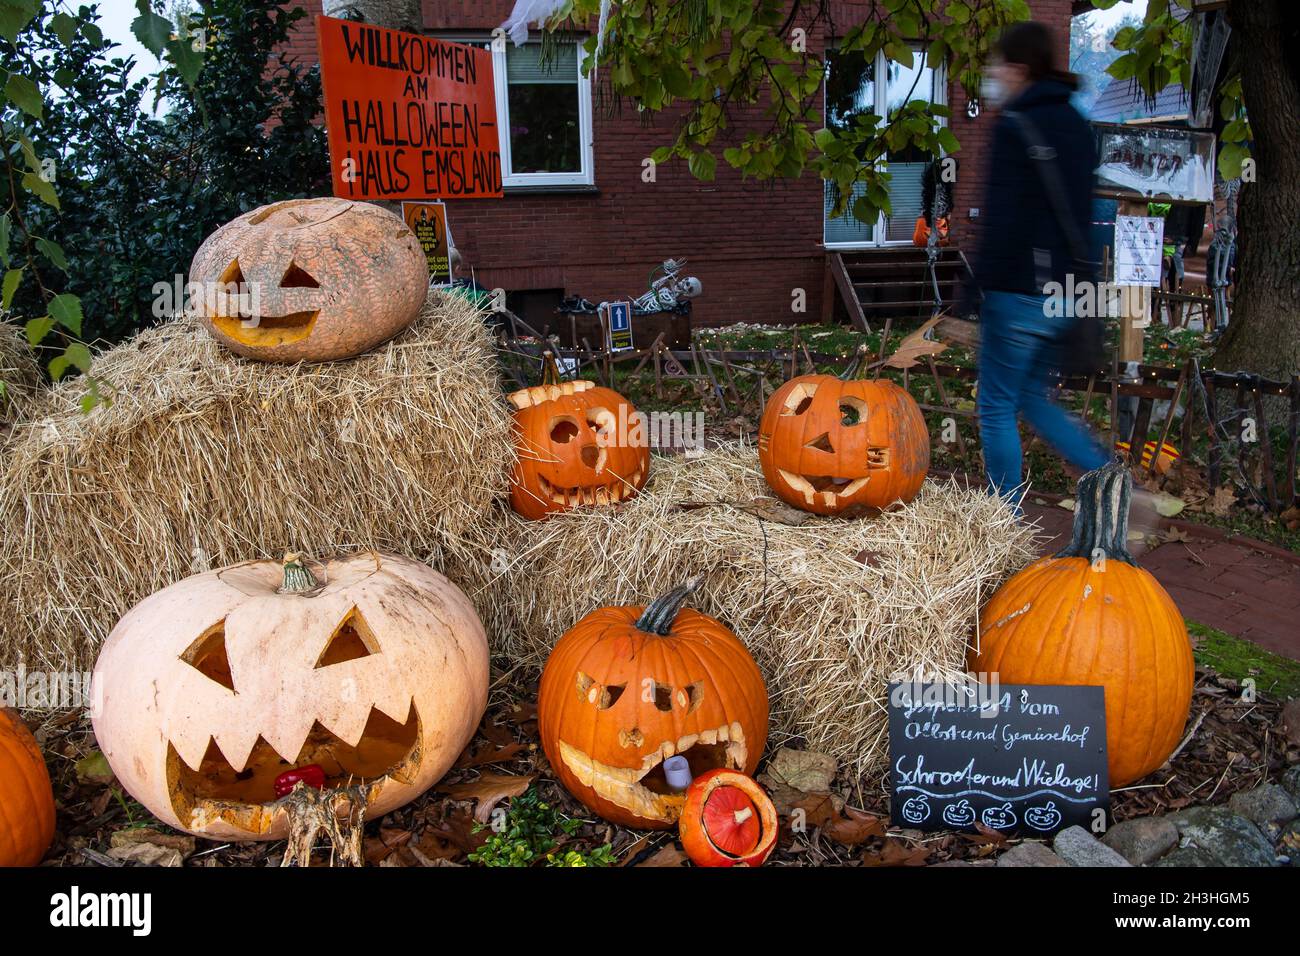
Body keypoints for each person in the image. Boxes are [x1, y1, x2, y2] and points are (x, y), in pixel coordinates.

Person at [965, 21, 1109, 507]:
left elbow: (1003, 221)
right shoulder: (1077, 124)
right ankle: (1110, 478)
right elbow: (1086, 213)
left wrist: (970, 294)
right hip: (1068, 292)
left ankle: (1002, 522)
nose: (992, 75)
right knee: (1034, 398)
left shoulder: (1014, 127)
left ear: (1020, 69)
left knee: (996, 405)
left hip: (1020, 291)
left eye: (998, 65)